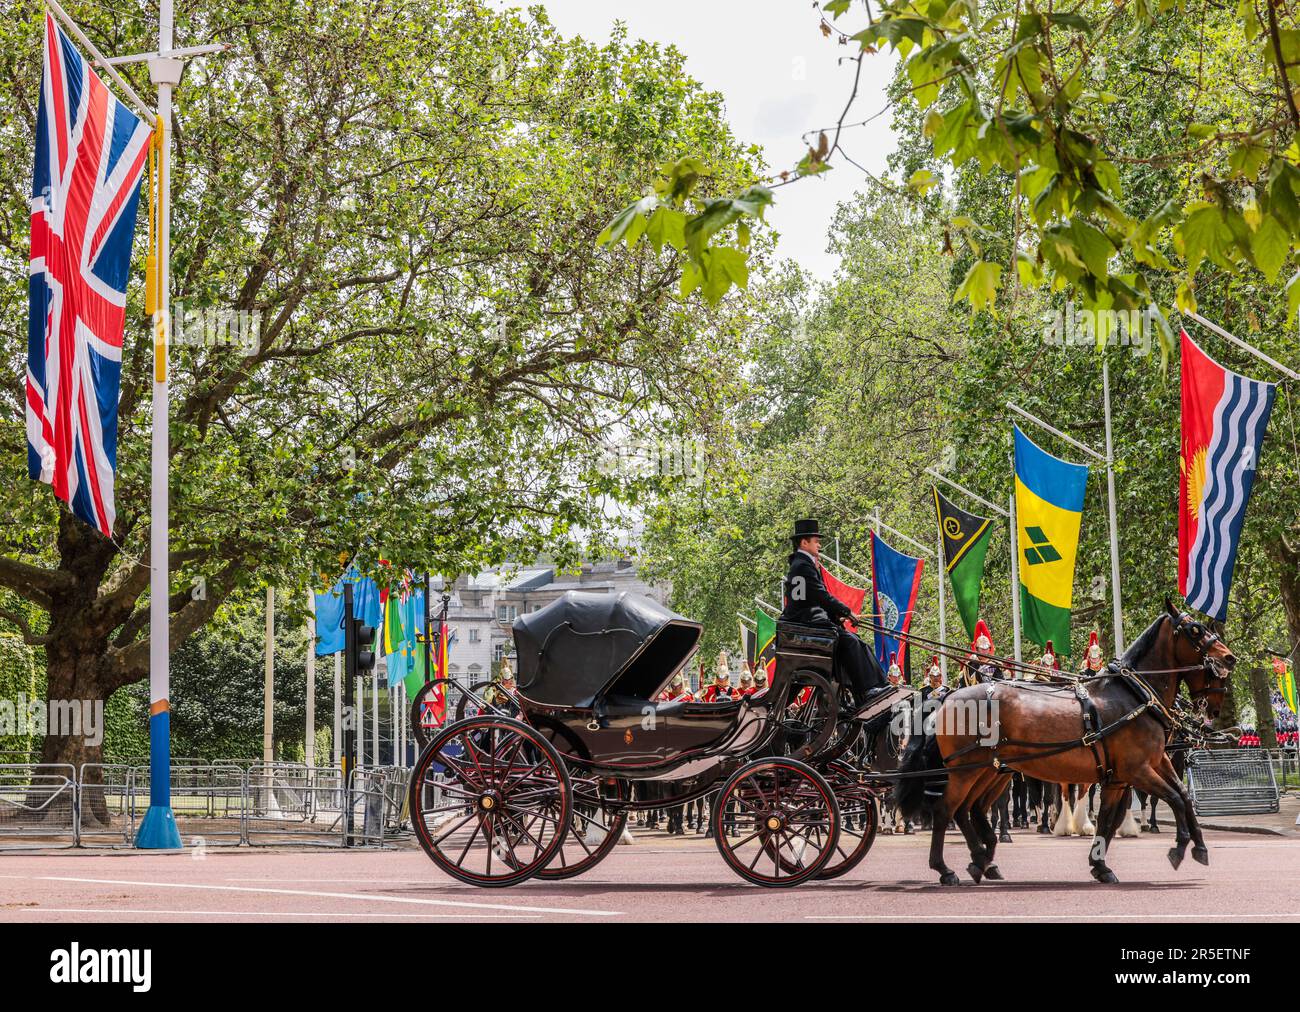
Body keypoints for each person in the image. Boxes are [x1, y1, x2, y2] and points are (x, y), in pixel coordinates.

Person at [781, 518, 899, 716]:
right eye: (816, 540)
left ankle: (875, 686)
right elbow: (821, 596)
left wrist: (836, 616)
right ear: (804, 543)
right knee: (852, 642)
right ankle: (868, 690)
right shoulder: (803, 565)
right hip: (807, 623)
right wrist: (846, 611)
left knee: (857, 642)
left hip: (808, 620)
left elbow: (812, 599)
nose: (819, 544)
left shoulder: (801, 564)